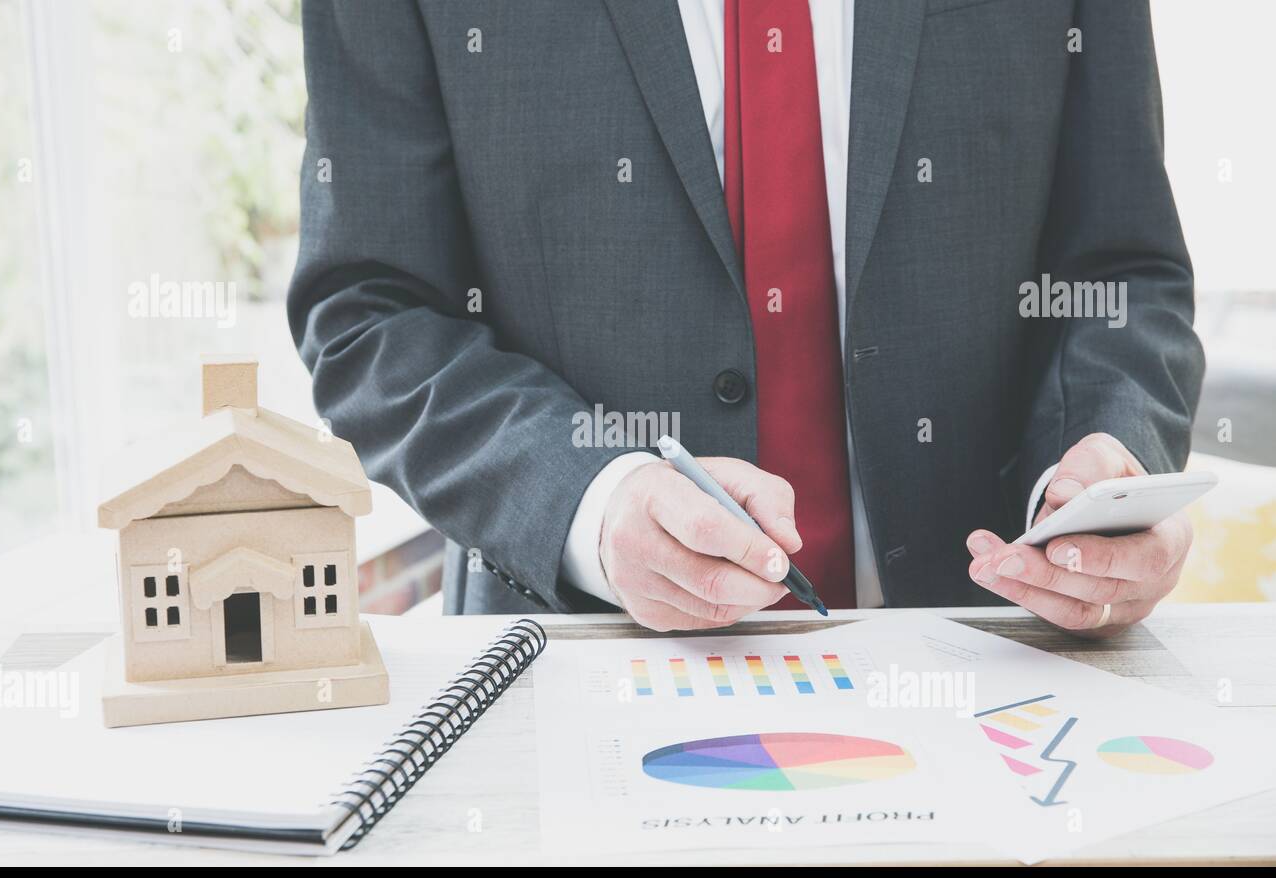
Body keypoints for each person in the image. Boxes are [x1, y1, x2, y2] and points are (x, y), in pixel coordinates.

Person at [288, 0, 1202, 636]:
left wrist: (1106, 467)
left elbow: (1117, 268)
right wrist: (594, 501)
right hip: (576, 680)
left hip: (1004, 671)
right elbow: (371, 308)